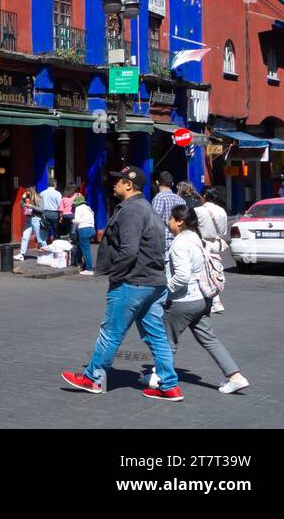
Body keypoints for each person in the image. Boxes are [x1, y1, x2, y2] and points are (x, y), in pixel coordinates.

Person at [61, 166, 181, 401]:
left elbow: (128, 250)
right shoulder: (146, 208)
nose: (113, 184)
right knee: (156, 335)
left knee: (111, 332)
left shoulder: (132, 210)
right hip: (154, 281)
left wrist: (115, 275)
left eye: (118, 181)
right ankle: (169, 384)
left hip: (133, 281)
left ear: (129, 184)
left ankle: (92, 378)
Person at [160, 203, 249, 395]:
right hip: (202, 298)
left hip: (184, 300)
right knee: (209, 339)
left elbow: (182, 276)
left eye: (170, 218)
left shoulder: (179, 244)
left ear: (180, 222)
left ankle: (161, 377)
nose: (168, 222)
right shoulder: (196, 239)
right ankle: (235, 376)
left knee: (165, 340)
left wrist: (165, 290)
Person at [194, 187, 230, 314]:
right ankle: (216, 301)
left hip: (202, 243)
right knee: (214, 270)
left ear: (204, 195)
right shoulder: (222, 211)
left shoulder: (198, 211)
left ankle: (209, 300)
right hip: (216, 243)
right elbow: (224, 232)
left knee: (202, 272)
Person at [14, 186, 46, 260]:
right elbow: (21, 205)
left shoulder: (38, 198)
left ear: (31, 191)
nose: (26, 192)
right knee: (25, 237)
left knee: (40, 239)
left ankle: (46, 254)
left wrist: (32, 206)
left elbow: (42, 209)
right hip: (29, 219)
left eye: (27, 190)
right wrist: (23, 199)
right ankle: (22, 254)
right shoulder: (26, 197)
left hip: (36, 219)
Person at [150, 171, 179, 250]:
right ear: (172, 184)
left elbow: (154, 221)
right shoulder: (180, 199)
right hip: (178, 239)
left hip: (164, 241)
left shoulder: (159, 198)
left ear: (157, 182)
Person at [72, 195, 96, 275]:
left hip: (84, 229)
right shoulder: (89, 208)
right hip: (92, 229)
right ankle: (80, 263)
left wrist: (73, 221)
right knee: (80, 246)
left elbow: (77, 220)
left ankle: (89, 269)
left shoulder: (79, 208)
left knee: (86, 250)